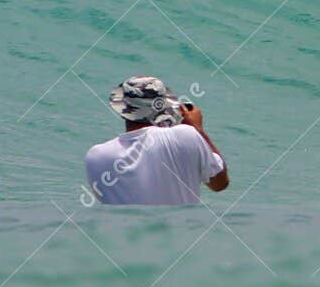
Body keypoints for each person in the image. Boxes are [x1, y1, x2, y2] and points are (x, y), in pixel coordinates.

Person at [84, 76, 229, 206]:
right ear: (162, 108)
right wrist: (198, 129)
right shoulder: (186, 134)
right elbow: (220, 183)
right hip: (181, 233)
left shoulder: (95, 156)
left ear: (123, 110)